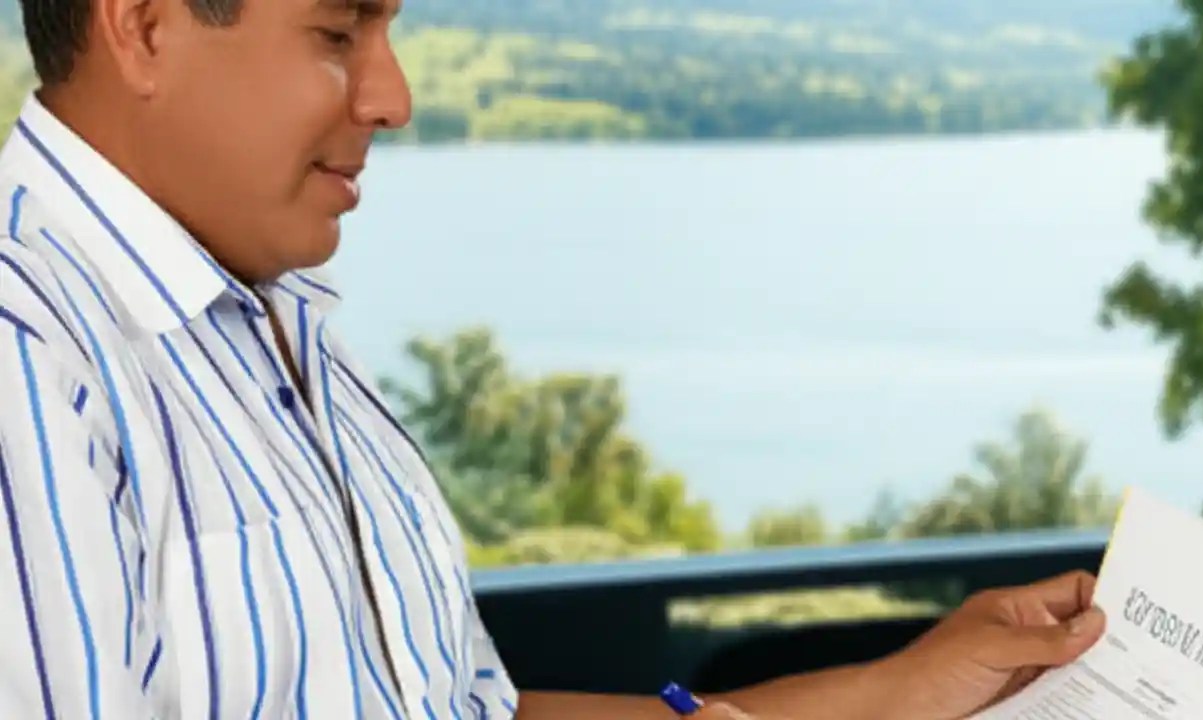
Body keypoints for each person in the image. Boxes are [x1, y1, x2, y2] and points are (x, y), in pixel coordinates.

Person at [0, 0, 1107, 717]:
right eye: (338, 36)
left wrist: (898, 692)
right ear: (142, 26)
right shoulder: (30, 360)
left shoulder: (277, 332)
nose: (393, 97)